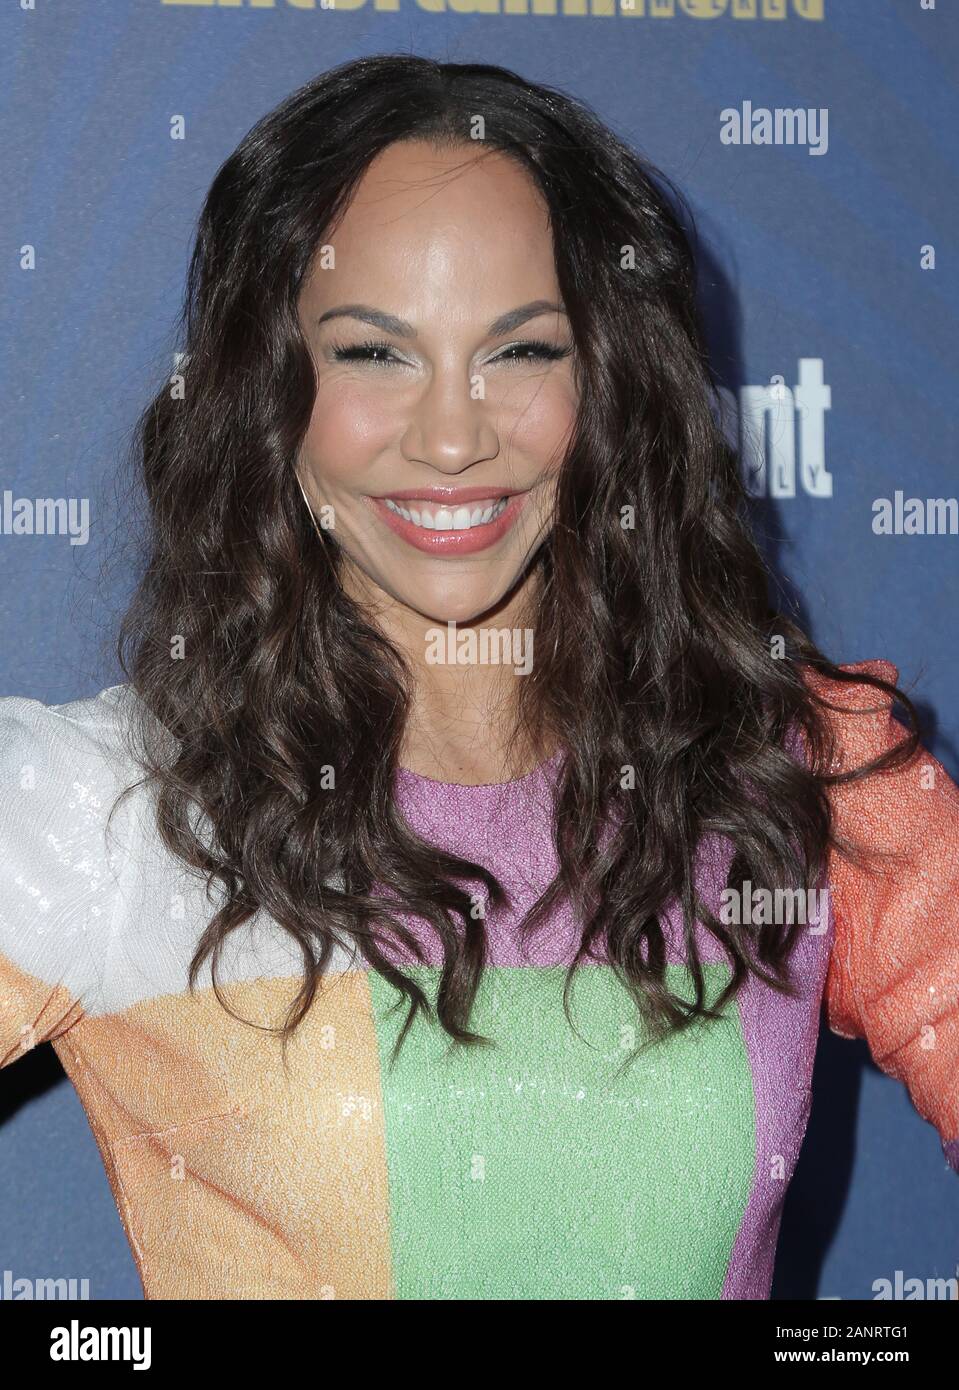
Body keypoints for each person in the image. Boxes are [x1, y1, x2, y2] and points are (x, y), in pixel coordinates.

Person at [0, 54, 956, 1302]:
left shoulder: (789, 771)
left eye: (518, 352)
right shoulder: (96, 814)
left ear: (606, 379)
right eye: (373, 354)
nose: (452, 437)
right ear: (268, 393)